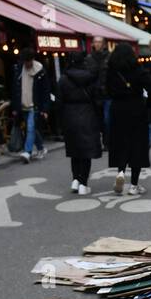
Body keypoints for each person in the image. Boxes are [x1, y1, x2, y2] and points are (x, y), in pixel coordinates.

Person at [106, 43, 150, 196]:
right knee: (136, 145)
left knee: (121, 143)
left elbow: (106, 90)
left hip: (117, 109)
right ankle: (134, 185)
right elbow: (150, 86)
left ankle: (120, 172)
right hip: (136, 109)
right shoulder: (138, 69)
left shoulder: (111, 71)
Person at [56, 52, 103, 195]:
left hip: (69, 116)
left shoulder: (63, 79)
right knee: (86, 151)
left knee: (74, 150)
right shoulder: (91, 78)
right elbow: (98, 100)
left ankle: (75, 180)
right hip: (87, 114)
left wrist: (59, 122)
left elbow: (58, 102)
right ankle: (84, 183)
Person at [11, 47, 51, 161]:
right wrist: (15, 106)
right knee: (32, 129)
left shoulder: (40, 71)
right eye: (24, 61)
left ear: (32, 59)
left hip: (35, 105)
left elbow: (45, 91)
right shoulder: (18, 69)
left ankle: (27, 151)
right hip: (22, 104)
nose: (26, 63)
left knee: (30, 127)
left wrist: (45, 109)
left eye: (28, 61)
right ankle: (41, 148)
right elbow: (15, 89)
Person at [86, 35, 110, 143]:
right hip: (94, 94)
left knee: (107, 120)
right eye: (96, 42)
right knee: (95, 120)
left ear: (104, 44)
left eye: (100, 42)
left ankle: (106, 141)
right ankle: (97, 142)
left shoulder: (109, 58)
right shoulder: (88, 58)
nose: (98, 44)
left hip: (107, 93)